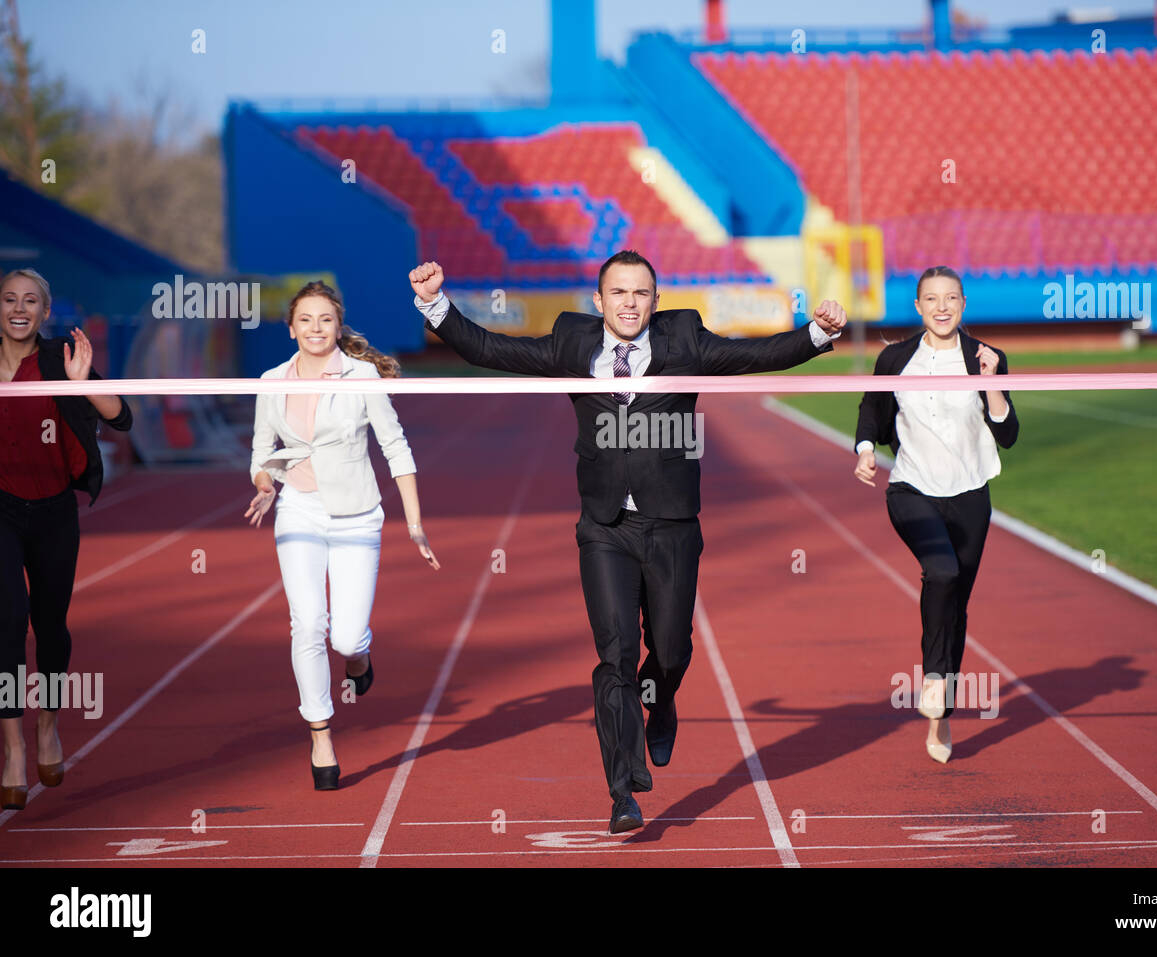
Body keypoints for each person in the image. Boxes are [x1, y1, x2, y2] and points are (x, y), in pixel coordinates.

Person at [409, 250, 846, 833]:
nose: (630, 303)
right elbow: (494, 349)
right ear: (599, 301)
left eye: (641, 293)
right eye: (619, 293)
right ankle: (622, 792)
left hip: (672, 526)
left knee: (670, 649)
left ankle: (661, 703)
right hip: (605, 529)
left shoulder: (685, 339)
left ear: (656, 301)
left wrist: (818, 331)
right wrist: (436, 304)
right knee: (614, 657)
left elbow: (755, 354)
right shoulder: (570, 343)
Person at [246, 280, 438, 791]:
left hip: (356, 514)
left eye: (324, 319)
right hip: (299, 512)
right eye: (305, 320)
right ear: (291, 328)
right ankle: (321, 732)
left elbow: (396, 449)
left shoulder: (363, 375)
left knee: (346, 635)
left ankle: (359, 655)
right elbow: (262, 451)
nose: (314, 328)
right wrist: (265, 482)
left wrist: (415, 525)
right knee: (307, 623)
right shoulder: (271, 380)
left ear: (337, 325)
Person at [852, 265, 1018, 763]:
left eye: (951, 298)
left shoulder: (987, 357)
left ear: (963, 305)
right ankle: (931, 677)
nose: (942, 307)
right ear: (918, 307)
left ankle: (940, 713)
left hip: (970, 493)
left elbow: (1007, 433)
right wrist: (864, 448)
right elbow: (871, 412)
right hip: (911, 488)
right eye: (932, 299)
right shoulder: (895, 358)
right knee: (940, 571)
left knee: (956, 603)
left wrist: (990, 382)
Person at [0, 268, 133, 810]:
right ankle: (11, 745)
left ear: (45, 312)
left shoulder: (59, 358)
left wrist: (82, 385)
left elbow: (121, 417)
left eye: (30, 300)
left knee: (49, 625)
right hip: (0, 508)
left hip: (55, 510)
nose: (18, 308)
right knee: (7, 620)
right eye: (9, 298)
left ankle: (47, 725)